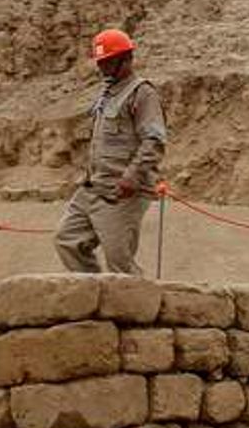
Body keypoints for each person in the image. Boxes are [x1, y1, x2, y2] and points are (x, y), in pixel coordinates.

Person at [55, 28, 167, 275]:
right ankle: (95, 296)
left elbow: (154, 141)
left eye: (108, 62)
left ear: (126, 59)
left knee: (119, 262)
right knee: (67, 240)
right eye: (101, 63)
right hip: (93, 187)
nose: (103, 68)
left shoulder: (142, 93)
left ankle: (136, 308)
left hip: (122, 193)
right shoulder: (106, 95)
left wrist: (132, 176)